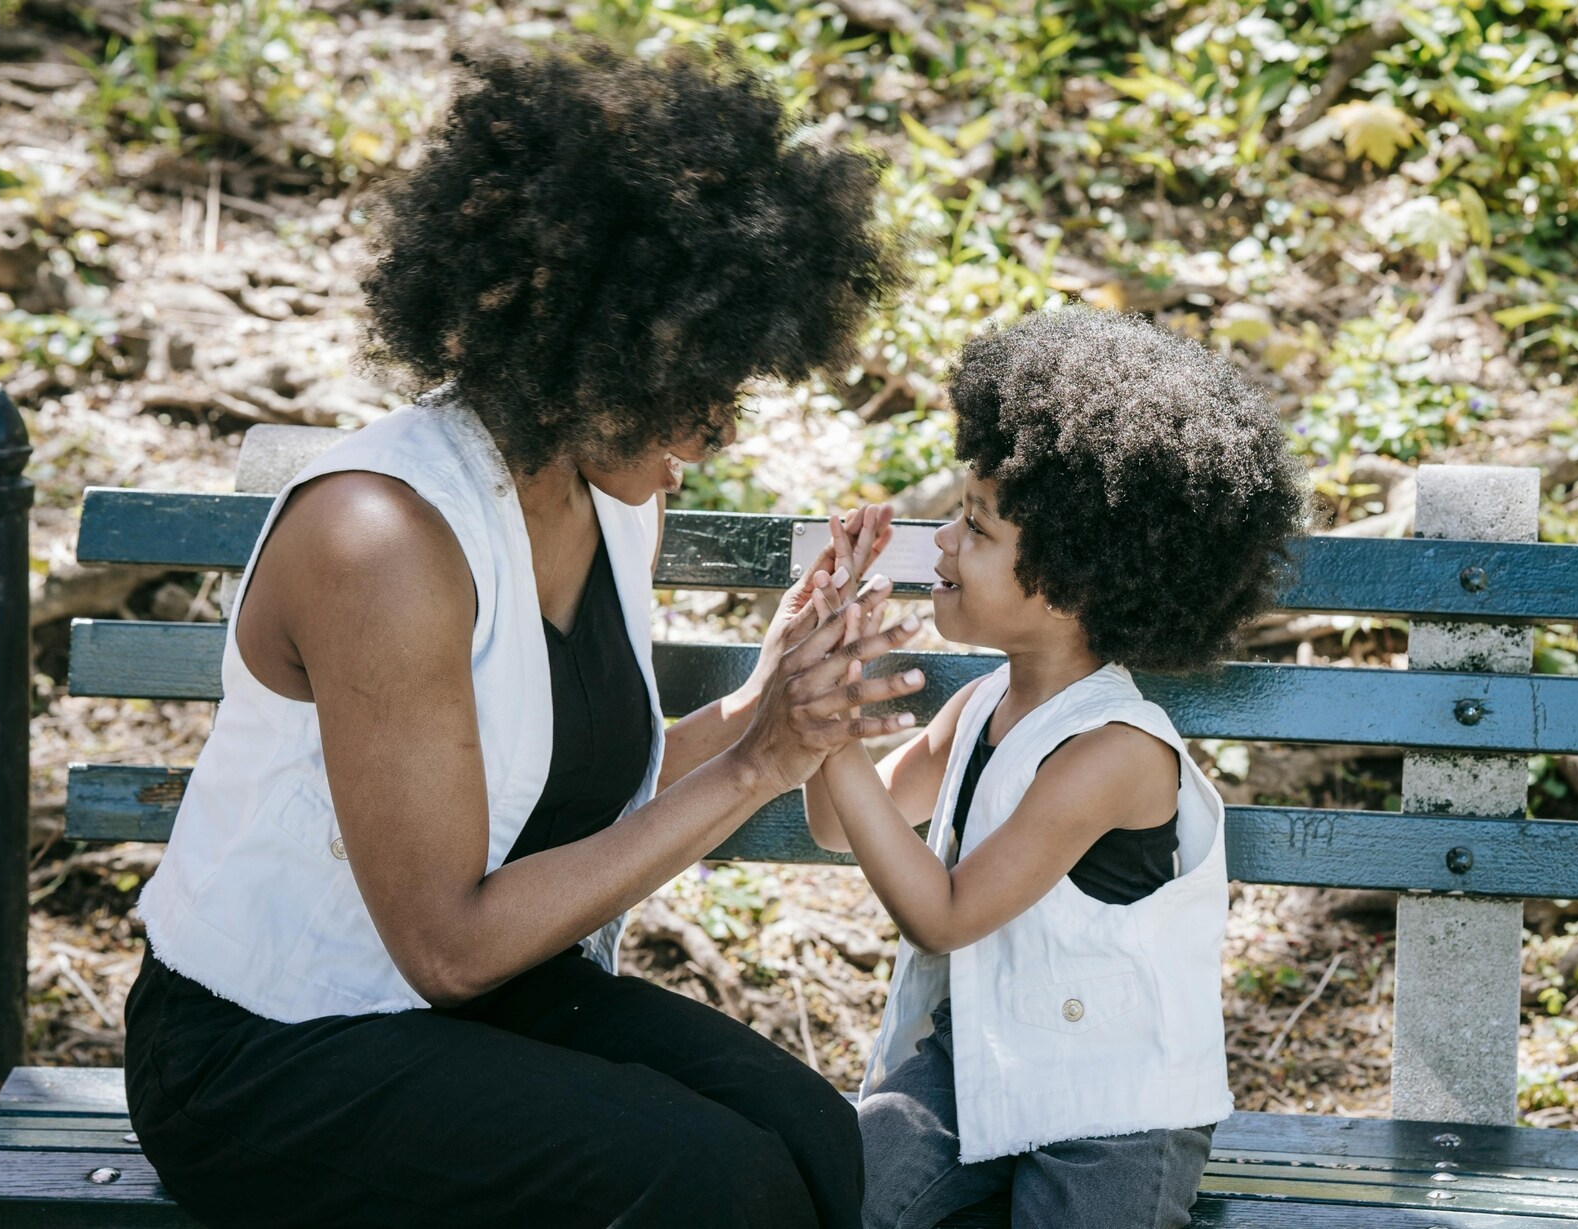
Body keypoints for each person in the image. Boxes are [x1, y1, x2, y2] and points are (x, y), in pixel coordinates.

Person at [124, 40, 918, 1229]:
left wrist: (766, 708)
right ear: (571, 332)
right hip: (270, 1048)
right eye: (688, 380)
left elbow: (575, 792)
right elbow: (447, 944)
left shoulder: (605, 494)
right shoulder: (379, 536)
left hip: (468, 1008)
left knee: (817, 1145)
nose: (709, 428)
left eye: (730, 380)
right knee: (713, 1186)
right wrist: (758, 763)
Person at [802, 310, 1312, 1229]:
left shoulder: (1115, 753)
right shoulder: (978, 706)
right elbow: (841, 824)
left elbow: (944, 912)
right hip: (978, 1065)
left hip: (1116, 1110)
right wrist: (829, 681)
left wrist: (834, 734)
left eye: (975, 528)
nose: (943, 544)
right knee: (840, 1194)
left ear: (1073, 580)